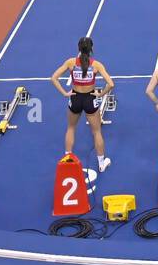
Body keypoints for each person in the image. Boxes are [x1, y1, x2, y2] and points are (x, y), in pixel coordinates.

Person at [49, 37, 115, 171]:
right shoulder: (96, 65)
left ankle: (67, 160)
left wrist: (64, 93)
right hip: (90, 99)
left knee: (71, 128)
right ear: (92, 49)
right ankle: (101, 163)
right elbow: (111, 84)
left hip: (75, 98)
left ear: (78, 48)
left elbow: (53, 78)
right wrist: (100, 94)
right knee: (96, 131)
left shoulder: (70, 63)